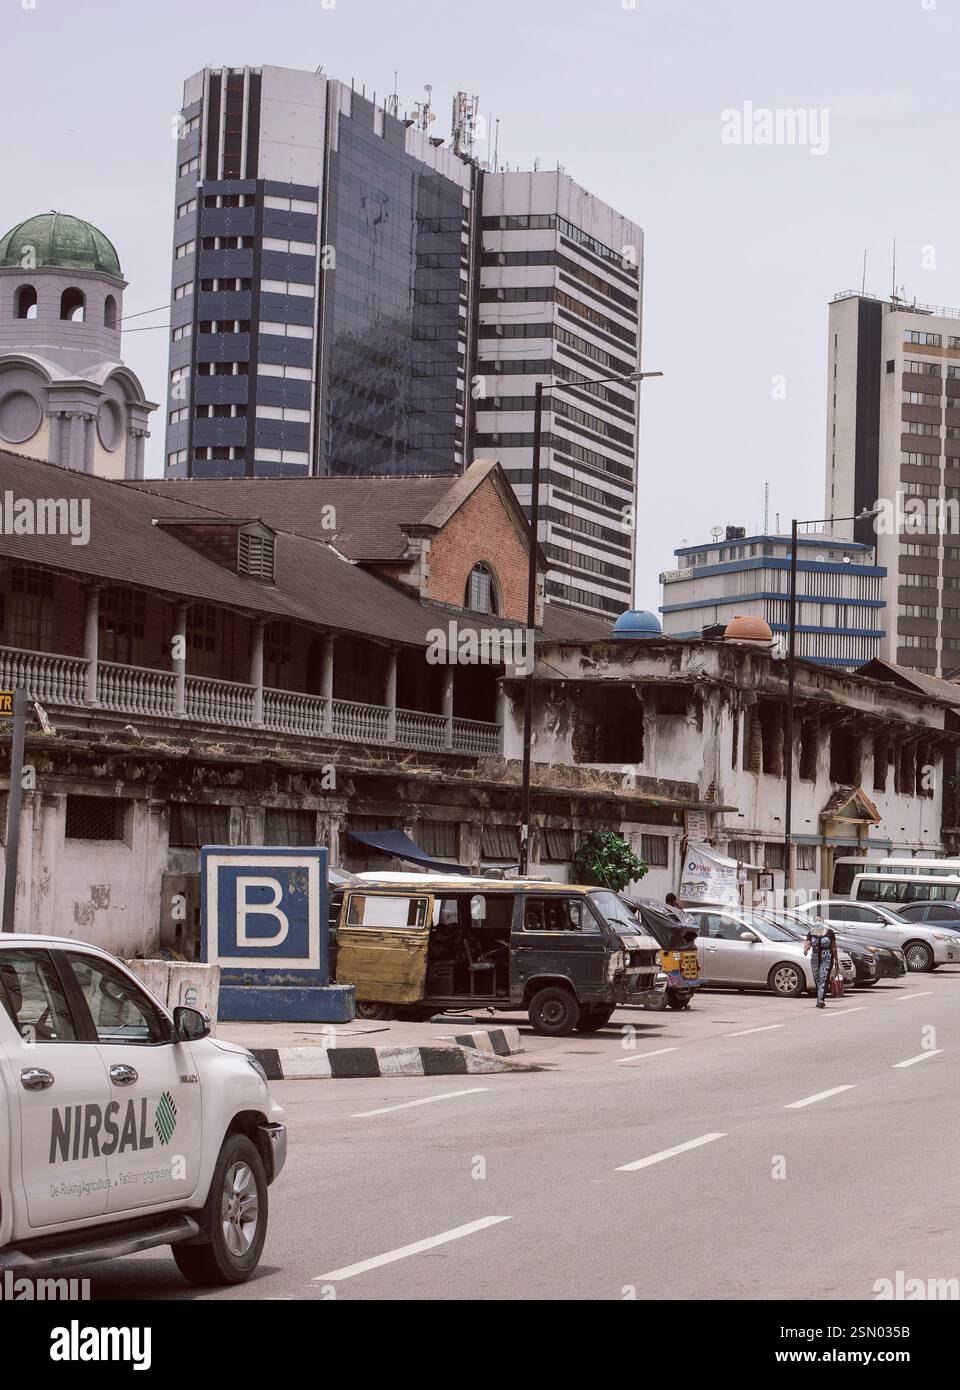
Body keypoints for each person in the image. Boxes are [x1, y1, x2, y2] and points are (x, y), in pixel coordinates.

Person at [803, 921, 838, 1008]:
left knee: (824, 977)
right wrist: (806, 949)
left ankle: (822, 999)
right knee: (817, 978)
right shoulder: (811, 933)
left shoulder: (830, 933)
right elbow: (808, 942)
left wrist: (836, 959)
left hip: (827, 957)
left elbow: (833, 946)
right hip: (815, 958)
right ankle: (819, 998)